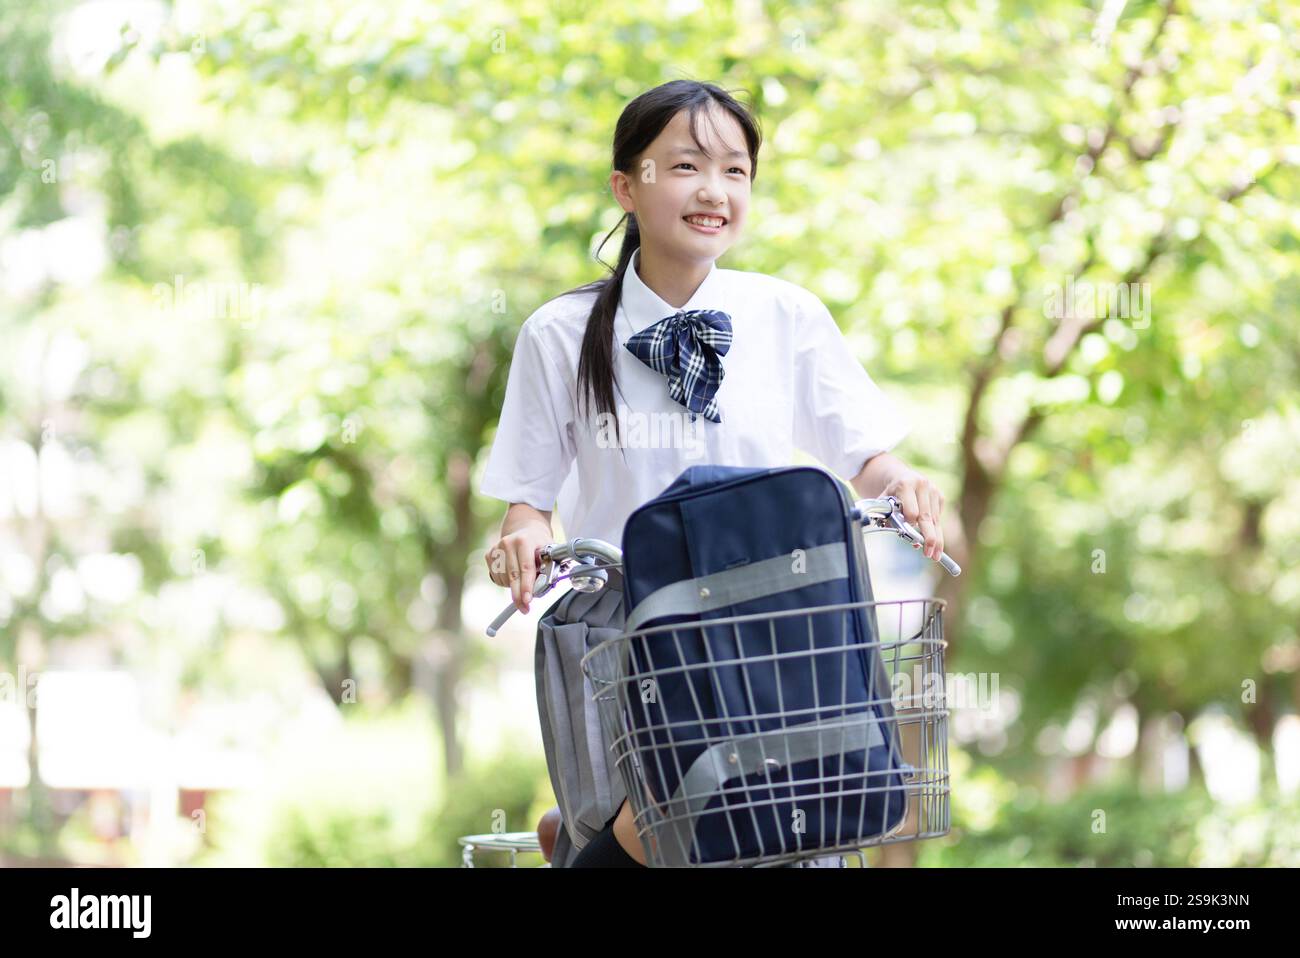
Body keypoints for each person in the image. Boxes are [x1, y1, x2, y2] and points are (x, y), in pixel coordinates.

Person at [480, 79, 947, 868]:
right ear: (627, 187)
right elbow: (528, 506)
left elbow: (868, 458)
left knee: (803, 825)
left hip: (775, 620)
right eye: (687, 166)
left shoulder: (786, 316)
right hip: (632, 629)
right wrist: (521, 543)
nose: (715, 190)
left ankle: (578, 848)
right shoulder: (559, 335)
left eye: (736, 171)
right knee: (675, 833)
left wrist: (901, 484)